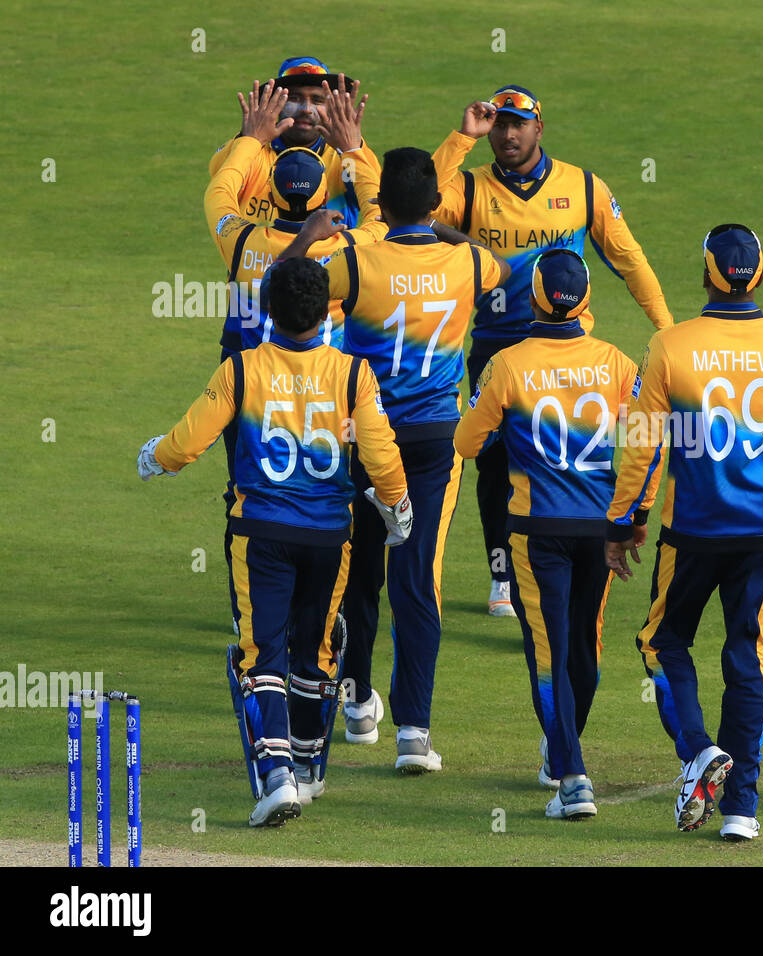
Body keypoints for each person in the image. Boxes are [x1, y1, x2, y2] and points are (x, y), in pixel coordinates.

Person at [136, 256, 410, 826]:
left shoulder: (241, 369)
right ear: (326, 310)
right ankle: (306, 771)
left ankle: (279, 776)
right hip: (330, 537)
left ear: (268, 309)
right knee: (315, 650)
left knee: (263, 652)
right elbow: (382, 455)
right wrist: (398, 507)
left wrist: (154, 458)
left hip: (259, 533)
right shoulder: (354, 373)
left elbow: (188, 443)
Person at [283, 147, 509, 772]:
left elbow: (288, 289)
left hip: (363, 436)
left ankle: (356, 705)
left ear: (380, 204)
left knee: (357, 571)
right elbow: (504, 273)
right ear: (436, 204)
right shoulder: (466, 259)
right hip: (436, 440)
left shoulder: (355, 263)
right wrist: (442, 229)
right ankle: (415, 732)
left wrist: (308, 238)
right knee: (417, 580)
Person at [606, 225, 763, 841]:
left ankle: (700, 753)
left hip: (692, 531)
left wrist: (626, 521)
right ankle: (743, 811)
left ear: (706, 273)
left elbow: (645, 446)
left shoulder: (671, 346)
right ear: (759, 274)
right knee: (746, 654)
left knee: (661, 641)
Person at [430, 85, 674, 616]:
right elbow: (416, 206)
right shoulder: (471, 188)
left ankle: (576, 567)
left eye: (518, 124)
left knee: (572, 460)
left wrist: (664, 326)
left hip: (572, 350)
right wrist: (460, 141)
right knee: (494, 465)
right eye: (498, 125)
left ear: (539, 128)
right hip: (497, 347)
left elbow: (628, 258)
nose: (508, 134)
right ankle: (503, 573)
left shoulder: (583, 187)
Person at [454, 250, 645, 819]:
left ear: (534, 297)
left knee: (548, 650)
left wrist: (495, 427)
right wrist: (631, 518)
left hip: (537, 530)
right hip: (598, 527)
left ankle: (572, 774)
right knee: (584, 644)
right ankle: (565, 753)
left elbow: (466, 443)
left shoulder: (507, 365)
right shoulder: (619, 364)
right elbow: (645, 443)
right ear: (585, 301)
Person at [204, 78, 386, 631]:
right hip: (323, 383)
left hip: (251, 378)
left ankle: (250, 613)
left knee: (245, 490)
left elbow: (219, 193)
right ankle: (323, 612)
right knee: (328, 490)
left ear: (273, 193)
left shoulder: (241, 242)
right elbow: (382, 214)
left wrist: (250, 138)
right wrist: (354, 146)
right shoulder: (346, 246)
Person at [208, 58, 381, 227]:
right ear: (274, 102)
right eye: (295, 98)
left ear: (332, 107)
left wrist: (352, 147)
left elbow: (377, 200)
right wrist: (248, 138)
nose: (306, 109)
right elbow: (221, 175)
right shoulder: (252, 152)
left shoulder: (346, 158)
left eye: (317, 100)